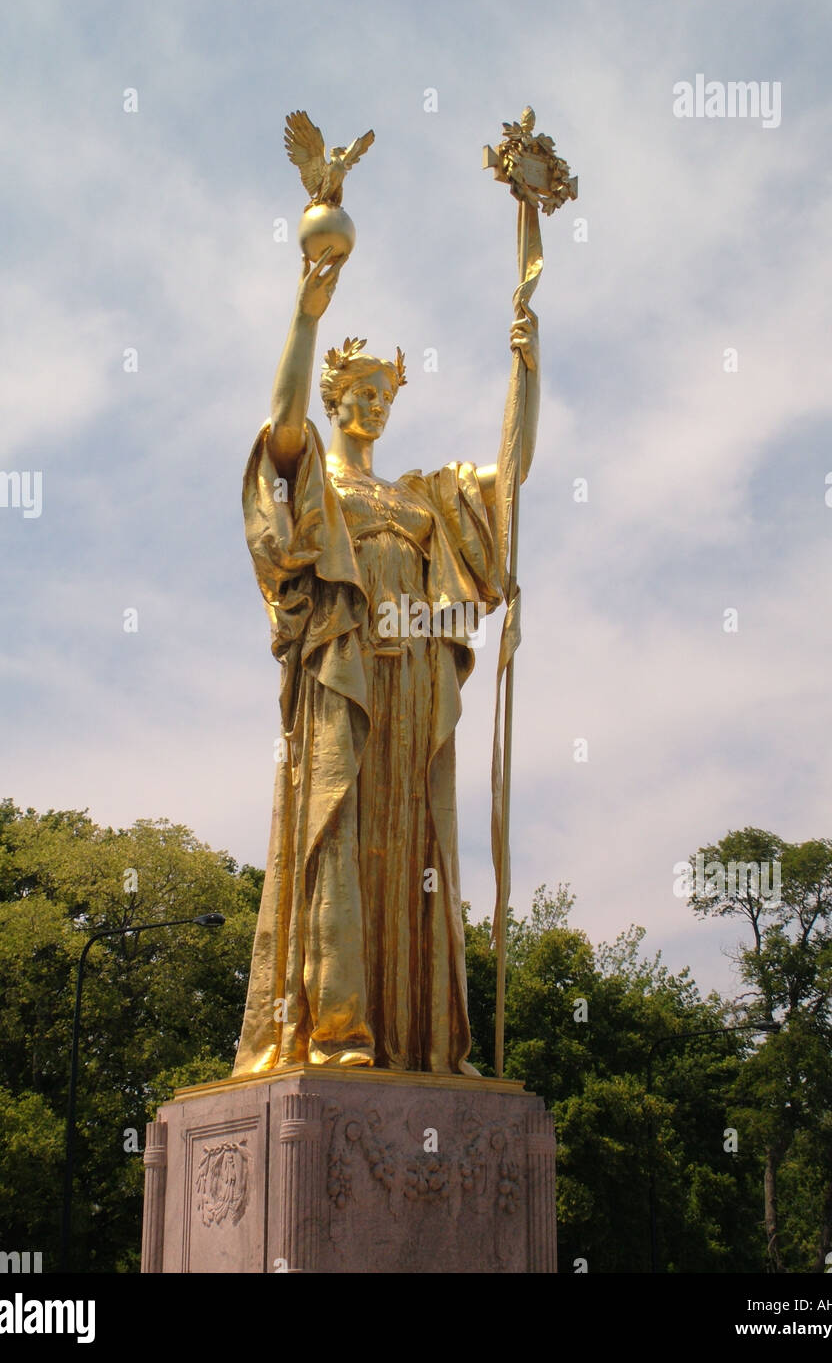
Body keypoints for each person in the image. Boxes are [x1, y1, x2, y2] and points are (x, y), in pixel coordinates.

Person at [233, 245, 538, 1076]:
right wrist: (306, 314)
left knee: (417, 852)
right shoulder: (321, 487)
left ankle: (418, 1038)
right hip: (347, 677)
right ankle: (336, 1030)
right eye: (359, 392)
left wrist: (526, 367)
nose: (372, 403)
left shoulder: (418, 499)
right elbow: (283, 429)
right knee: (338, 833)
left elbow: (508, 482)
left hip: (415, 685)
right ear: (335, 398)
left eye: (384, 394)